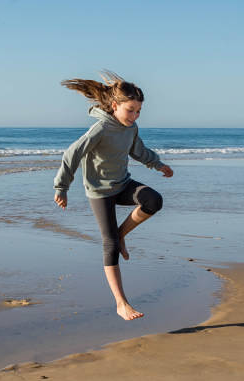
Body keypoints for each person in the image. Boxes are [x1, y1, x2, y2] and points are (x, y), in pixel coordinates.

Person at [53, 71, 173, 321]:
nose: (135, 115)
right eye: (131, 110)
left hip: (122, 184)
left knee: (154, 200)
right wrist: (61, 187)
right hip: (99, 193)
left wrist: (158, 164)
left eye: (138, 111)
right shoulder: (101, 129)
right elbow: (71, 154)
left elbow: (138, 151)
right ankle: (121, 303)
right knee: (110, 245)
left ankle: (121, 234)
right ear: (115, 105)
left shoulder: (131, 128)